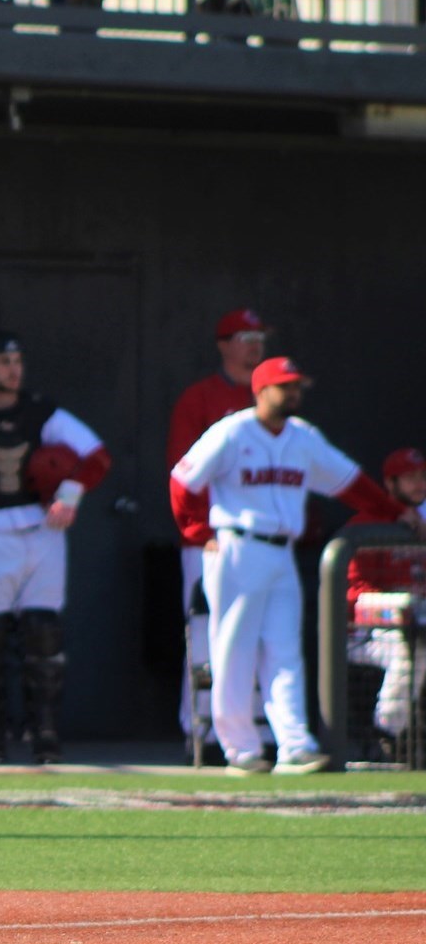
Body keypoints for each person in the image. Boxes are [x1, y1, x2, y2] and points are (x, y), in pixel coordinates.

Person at [170, 357, 426, 776]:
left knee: (285, 650)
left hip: (281, 551)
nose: (294, 393)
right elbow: (183, 480)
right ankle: (240, 750)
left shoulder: (302, 438)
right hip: (237, 545)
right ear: (261, 390)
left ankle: (294, 745)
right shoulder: (232, 432)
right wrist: (198, 531)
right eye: (285, 386)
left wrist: (393, 511)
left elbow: (350, 482)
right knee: (234, 651)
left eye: (296, 387)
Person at [0, 331, 111, 765]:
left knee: (44, 634)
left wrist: (70, 492)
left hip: (44, 532)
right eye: (3, 361)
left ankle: (45, 740)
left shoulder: (43, 413)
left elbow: (97, 455)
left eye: (17, 360)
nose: (13, 369)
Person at [165, 307, 266, 750]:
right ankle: (200, 729)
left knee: (262, 632)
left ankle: (258, 731)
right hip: (210, 539)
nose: (254, 344)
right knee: (206, 631)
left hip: (262, 539)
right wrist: (198, 531)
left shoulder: (272, 400)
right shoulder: (200, 398)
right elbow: (182, 471)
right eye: (244, 336)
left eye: (259, 336)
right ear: (223, 345)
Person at [344, 448, 426, 759]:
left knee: (418, 646)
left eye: (422, 477)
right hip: (362, 634)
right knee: (406, 650)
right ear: (390, 484)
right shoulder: (365, 524)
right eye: (410, 478)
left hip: (413, 628)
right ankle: (386, 736)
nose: (419, 484)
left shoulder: (420, 524)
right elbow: (352, 595)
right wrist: (401, 607)